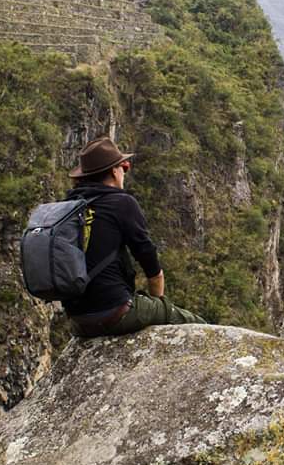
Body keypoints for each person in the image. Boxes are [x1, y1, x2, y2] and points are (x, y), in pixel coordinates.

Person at [62, 136, 207, 337]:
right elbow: (148, 258)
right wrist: (160, 304)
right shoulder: (121, 203)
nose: (125, 171)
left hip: (78, 322)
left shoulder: (69, 207)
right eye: (124, 167)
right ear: (114, 171)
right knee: (196, 326)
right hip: (114, 313)